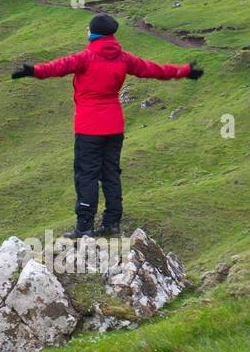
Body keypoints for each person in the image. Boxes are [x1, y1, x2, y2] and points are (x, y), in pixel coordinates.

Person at [12, 13, 202, 238]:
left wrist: (32, 71)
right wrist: (185, 71)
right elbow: (154, 70)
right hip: (114, 126)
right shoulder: (124, 58)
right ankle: (112, 224)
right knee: (110, 174)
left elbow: (57, 67)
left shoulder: (85, 57)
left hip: (89, 127)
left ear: (93, 33)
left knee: (86, 175)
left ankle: (84, 226)